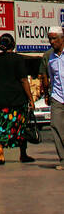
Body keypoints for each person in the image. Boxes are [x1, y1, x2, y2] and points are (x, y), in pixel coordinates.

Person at [0, 32, 34, 165]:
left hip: (2, 98)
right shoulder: (18, 59)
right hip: (17, 98)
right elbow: (23, 80)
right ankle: (23, 153)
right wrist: (31, 99)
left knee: (2, 125)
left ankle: (0, 150)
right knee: (20, 125)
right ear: (13, 44)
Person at [39, 26, 64, 168]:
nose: (52, 41)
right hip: (58, 97)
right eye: (50, 39)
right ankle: (63, 159)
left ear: (62, 39)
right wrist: (48, 94)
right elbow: (47, 77)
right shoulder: (49, 57)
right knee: (55, 125)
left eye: (54, 38)